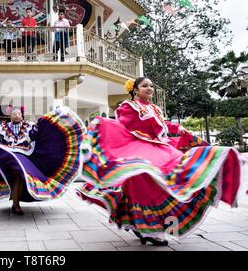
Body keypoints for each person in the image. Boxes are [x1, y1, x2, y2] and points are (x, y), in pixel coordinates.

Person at [76, 77, 243, 246]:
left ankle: (150, 227)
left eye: (151, 86)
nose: (149, 88)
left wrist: (179, 128)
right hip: (138, 148)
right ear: (135, 90)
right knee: (145, 185)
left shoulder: (155, 108)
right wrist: (103, 127)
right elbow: (122, 126)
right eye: (144, 86)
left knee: (172, 178)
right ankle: (146, 228)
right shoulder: (129, 106)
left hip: (160, 147)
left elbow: (164, 125)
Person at [0, 106, 85, 215]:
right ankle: (16, 204)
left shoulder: (29, 126)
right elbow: (2, 143)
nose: (16, 115)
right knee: (16, 176)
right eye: (14, 114)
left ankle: (16, 204)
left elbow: (32, 137)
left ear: (22, 116)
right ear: (10, 116)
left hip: (24, 155)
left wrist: (37, 127)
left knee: (19, 176)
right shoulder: (3, 127)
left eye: (18, 114)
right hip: (9, 155)